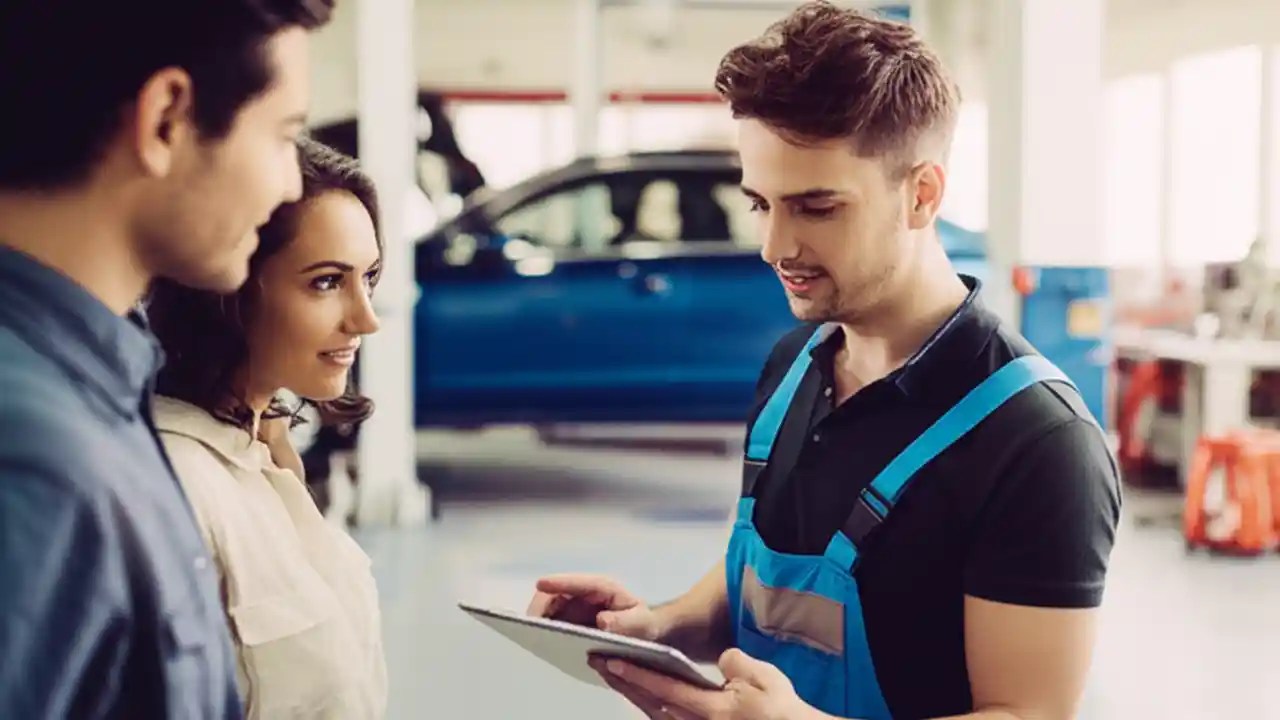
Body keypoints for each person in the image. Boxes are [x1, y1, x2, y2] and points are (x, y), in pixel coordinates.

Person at [526, 3, 1123, 720]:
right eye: (760, 204)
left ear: (922, 194)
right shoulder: (792, 367)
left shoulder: (1038, 444)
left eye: (816, 207)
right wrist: (657, 625)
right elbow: (770, 584)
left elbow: (1028, 714)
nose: (774, 247)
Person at [0, 1, 332, 717]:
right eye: (282, 138)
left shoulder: (93, 389)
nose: (290, 187)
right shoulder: (37, 461)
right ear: (167, 120)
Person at [144, 137, 386, 719]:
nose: (366, 319)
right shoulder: (177, 486)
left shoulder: (270, 456)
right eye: (327, 281)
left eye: (369, 277)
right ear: (228, 288)